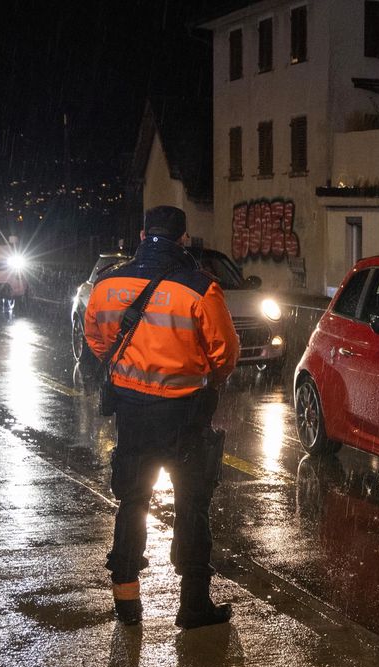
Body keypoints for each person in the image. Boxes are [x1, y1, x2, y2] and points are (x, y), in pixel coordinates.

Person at [84, 206, 240, 627]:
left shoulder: (107, 283)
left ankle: (127, 602)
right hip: (185, 416)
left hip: (132, 412)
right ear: (184, 239)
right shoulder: (200, 289)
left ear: (141, 233)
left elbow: (96, 338)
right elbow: (225, 354)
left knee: (132, 501)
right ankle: (193, 605)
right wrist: (207, 378)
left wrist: (128, 373)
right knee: (192, 505)